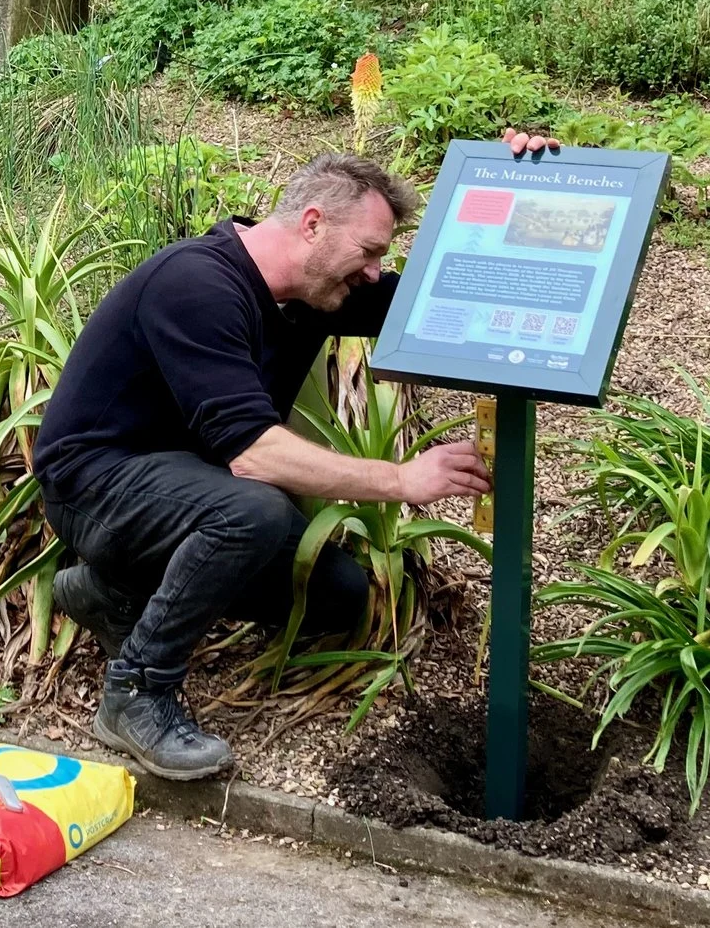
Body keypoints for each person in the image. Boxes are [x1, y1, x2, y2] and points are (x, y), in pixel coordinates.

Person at [33, 133, 556, 780]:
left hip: (184, 489)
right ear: (313, 225)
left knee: (338, 594)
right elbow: (254, 456)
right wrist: (403, 479)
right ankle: (135, 695)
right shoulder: (196, 286)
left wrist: (516, 187)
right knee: (253, 509)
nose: (374, 271)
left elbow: (443, 289)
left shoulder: (311, 294)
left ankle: (110, 590)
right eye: (368, 251)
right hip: (94, 487)